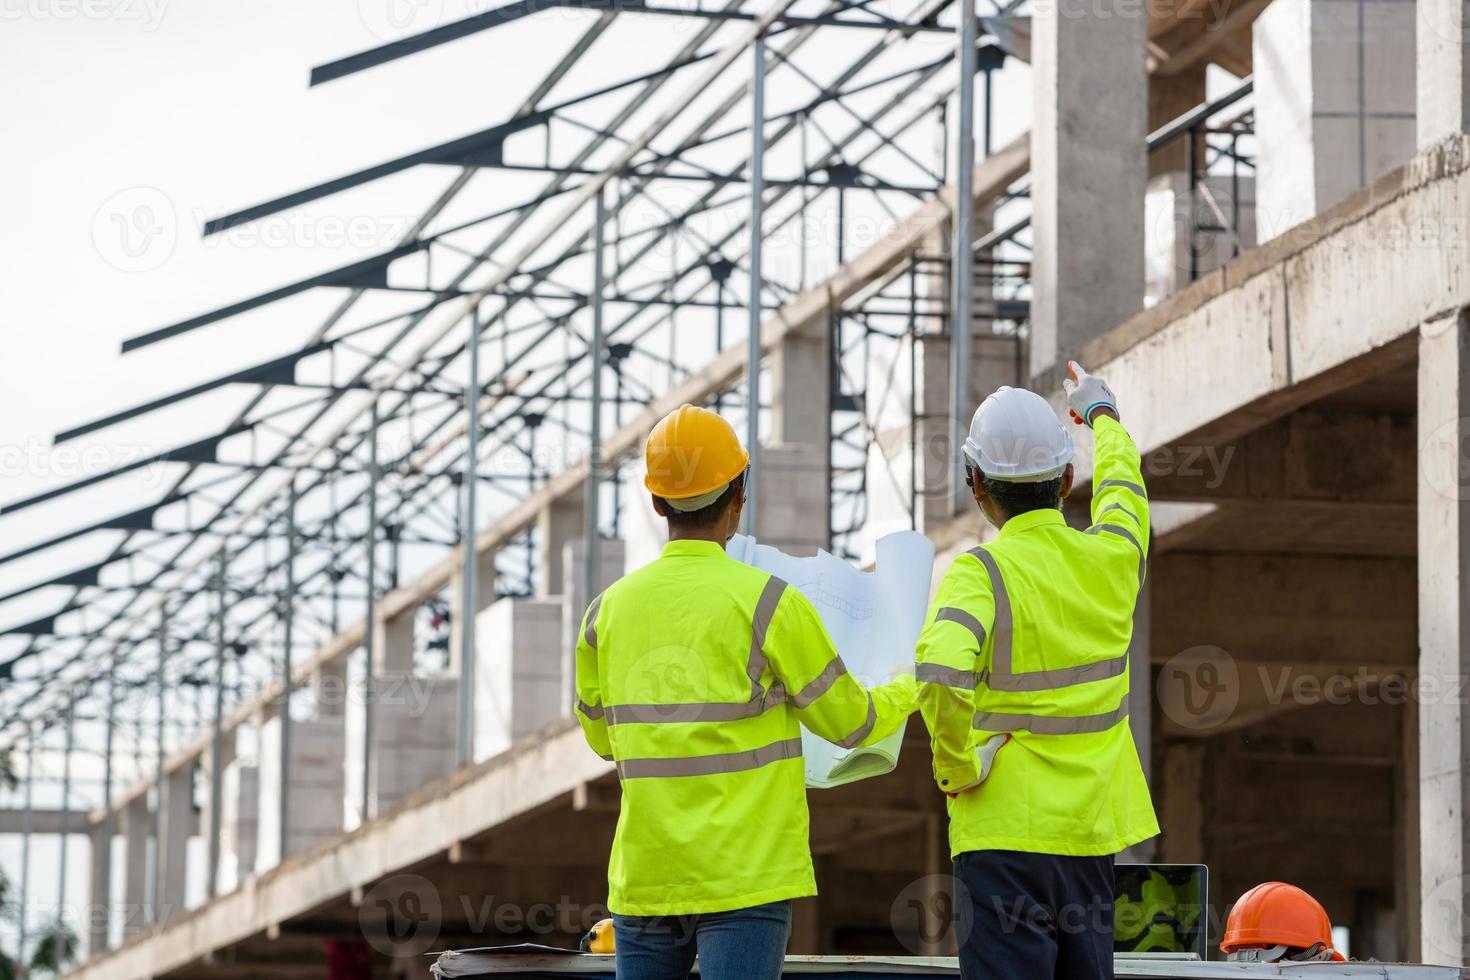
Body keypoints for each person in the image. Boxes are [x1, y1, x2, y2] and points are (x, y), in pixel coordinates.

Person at [574, 403, 917, 980]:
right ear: (739, 496)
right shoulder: (770, 603)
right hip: (746, 877)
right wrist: (910, 688)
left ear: (656, 503)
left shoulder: (605, 613)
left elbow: (602, 740)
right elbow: (850, 724)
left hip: (648, 880)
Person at [914, 362, 1159, 980]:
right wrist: (1102, 414)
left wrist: (956, 767)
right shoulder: (1111, 561)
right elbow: (1125, 496)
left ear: (976, 484)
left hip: (1001, 845)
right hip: (1087, 842)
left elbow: (939, 674)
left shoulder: (980, 574)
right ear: (1066, 478)